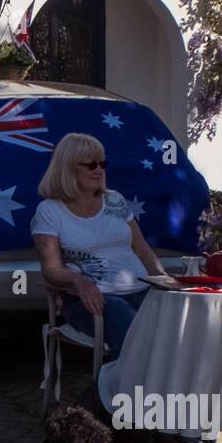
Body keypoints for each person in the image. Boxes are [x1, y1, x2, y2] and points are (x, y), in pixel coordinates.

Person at [32, 132, 166, 355]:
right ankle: (126, 388)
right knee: (135, 335)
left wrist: (163, 279)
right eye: (91, 164)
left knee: (183, 326)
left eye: (102, 163)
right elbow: (51, 270)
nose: (99, 169)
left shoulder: (114, 199)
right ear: (68, 167)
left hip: (143, 291)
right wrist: (80, 281)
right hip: (92, 300)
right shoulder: (49, 211)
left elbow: (141, 248)